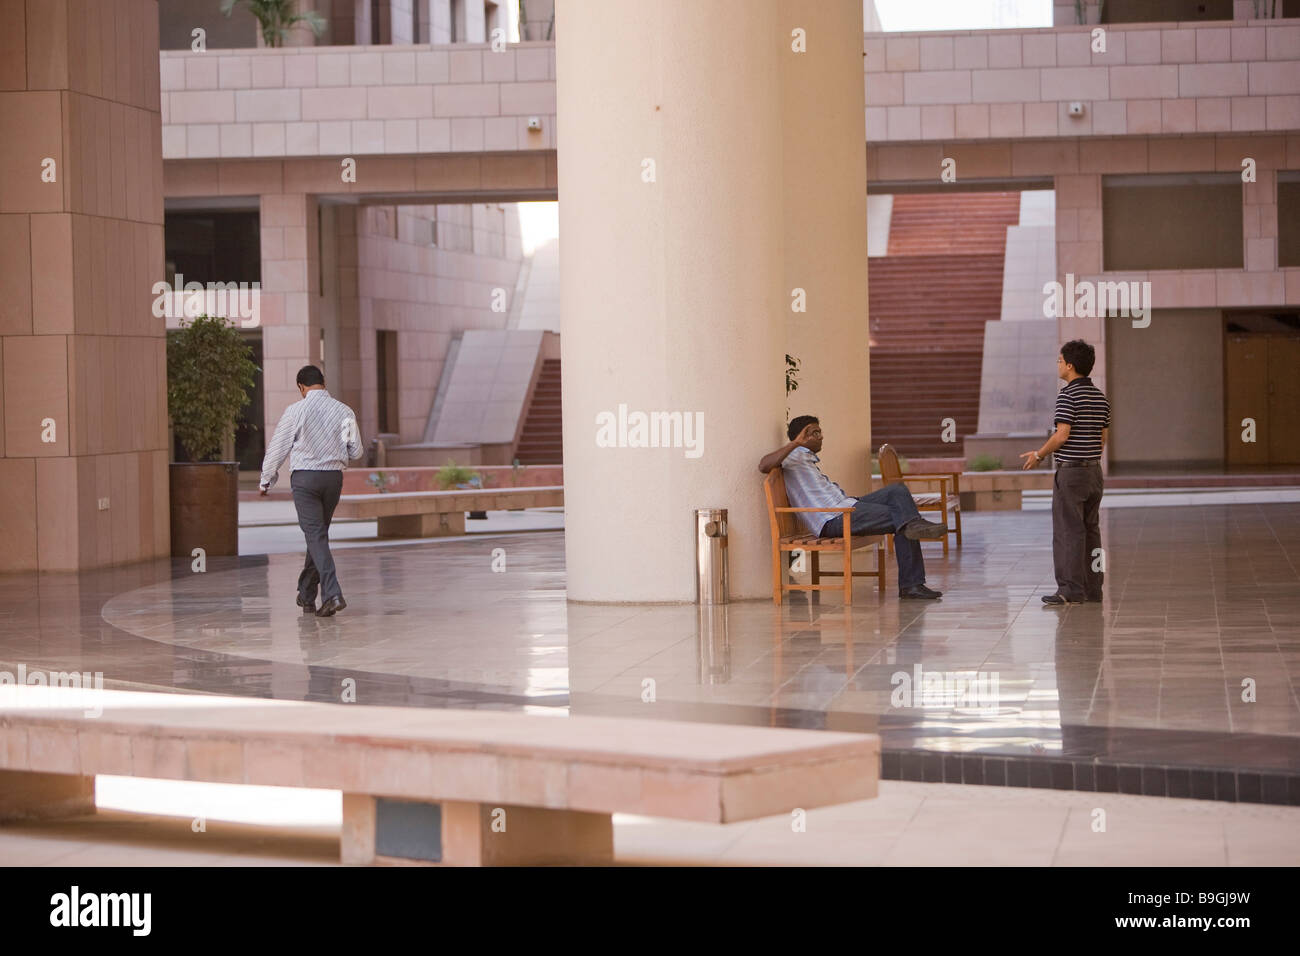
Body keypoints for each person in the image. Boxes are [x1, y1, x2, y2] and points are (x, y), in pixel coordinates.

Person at [759, 416, 946, 600]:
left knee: (897, 491)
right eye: (815, 433)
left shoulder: (804, 459)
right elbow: (763, 465)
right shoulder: (793, 456)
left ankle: (915, 530)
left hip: (846, 506)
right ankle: (911, 584)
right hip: (834, 519)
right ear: (802, 436)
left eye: (820, 432)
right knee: (902, 519)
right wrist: (795, 443)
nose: (821, 436)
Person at [259, 365, 363, 617]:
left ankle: (332, 594)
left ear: (301, 387)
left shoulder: (296, 411)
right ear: (323, 382)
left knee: (315, 536)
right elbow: (356, 451)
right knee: (318, 536)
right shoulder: (344, 411)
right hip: (333, 480)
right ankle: (306, 594)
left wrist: (266, 480)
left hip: (305, 479)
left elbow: (278, 448)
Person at [1019, 339, 1111, 606]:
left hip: (1071, 474)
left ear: (1070, 366)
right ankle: (1093, 589)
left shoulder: (1067, 395)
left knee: (1068, 531)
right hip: (1094, 472)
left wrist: (1039, 455)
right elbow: (1103, 438)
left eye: (1060, 361)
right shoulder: (1100, 397)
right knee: (1091, 530)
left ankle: (1070, 590)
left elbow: (1062, 435)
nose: (1058, 365)